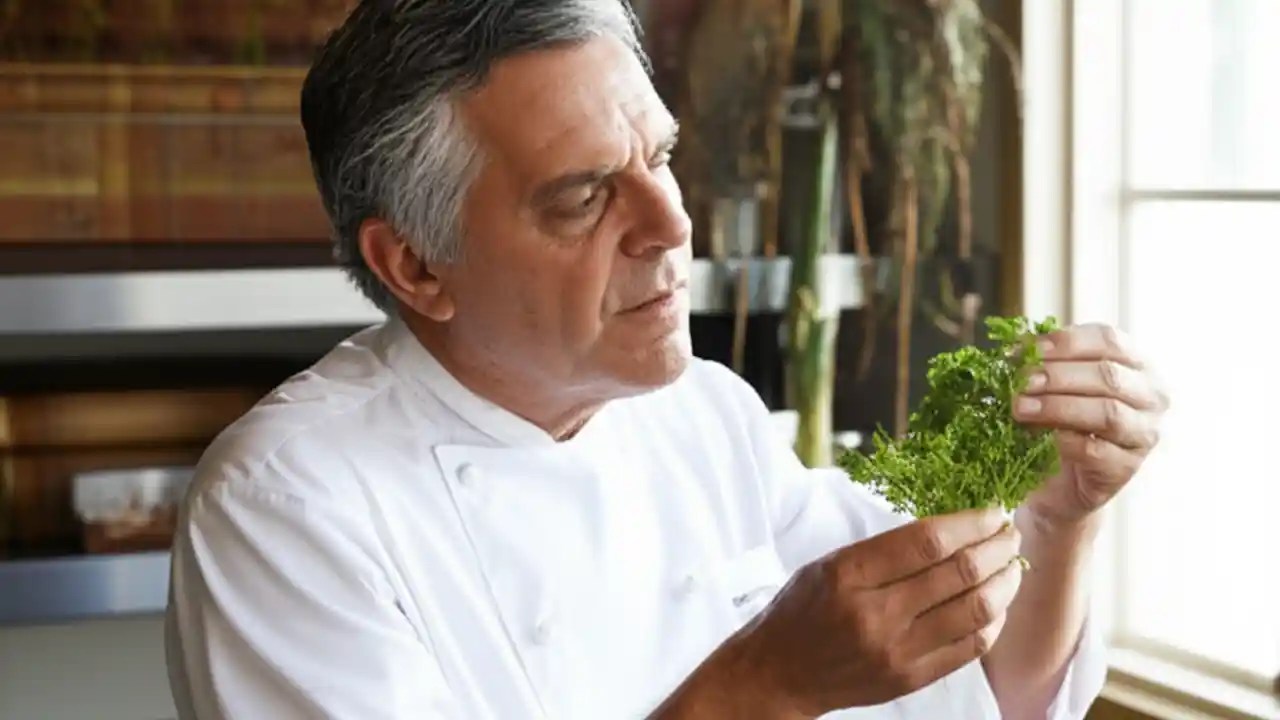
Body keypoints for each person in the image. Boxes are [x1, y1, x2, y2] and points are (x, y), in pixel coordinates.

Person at [164, 1, 1170, 718]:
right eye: (582, 196)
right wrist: (762, 689)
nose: (671, 222)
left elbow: (974, 699)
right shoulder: (288, 505)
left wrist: (1055, 514)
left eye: (662, 159)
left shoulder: (705, 414)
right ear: (416, 265)